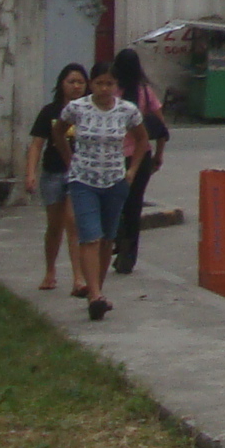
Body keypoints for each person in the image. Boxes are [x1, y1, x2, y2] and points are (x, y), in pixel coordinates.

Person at [61, 65, 148, 321]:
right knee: (90, 236)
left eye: (109, 84)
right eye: (99, 83)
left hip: (114, 181)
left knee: (107, 237)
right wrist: (70, 161)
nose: (104, 89)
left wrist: (131, 171)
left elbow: (143, 140)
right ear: (91, 84)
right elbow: (58, 132)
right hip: (83, 180)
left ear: (116, 86)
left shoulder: (127, 110)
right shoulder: (77, 108)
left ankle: (95, 292)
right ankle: (96, 295)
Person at [26, 64, 89, 293]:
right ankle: (50, 270)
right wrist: (30, 173)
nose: (76, 86)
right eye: (71, 82)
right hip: (53, 173)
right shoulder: (50, 112)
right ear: (62, 84)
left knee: (73, 222)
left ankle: (78, 278)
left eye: (80, 82)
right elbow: (36, 145)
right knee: (55, 226)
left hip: (78, 174)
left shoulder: (89, 112)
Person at [109, 48, 169, 275]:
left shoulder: (112, 92)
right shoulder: (145, 92)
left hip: (115, 158)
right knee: (133, 207)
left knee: (114, 203)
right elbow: (161, 127)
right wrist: (158, 155)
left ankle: (116, 238)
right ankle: (128, 256)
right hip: (141, 158)